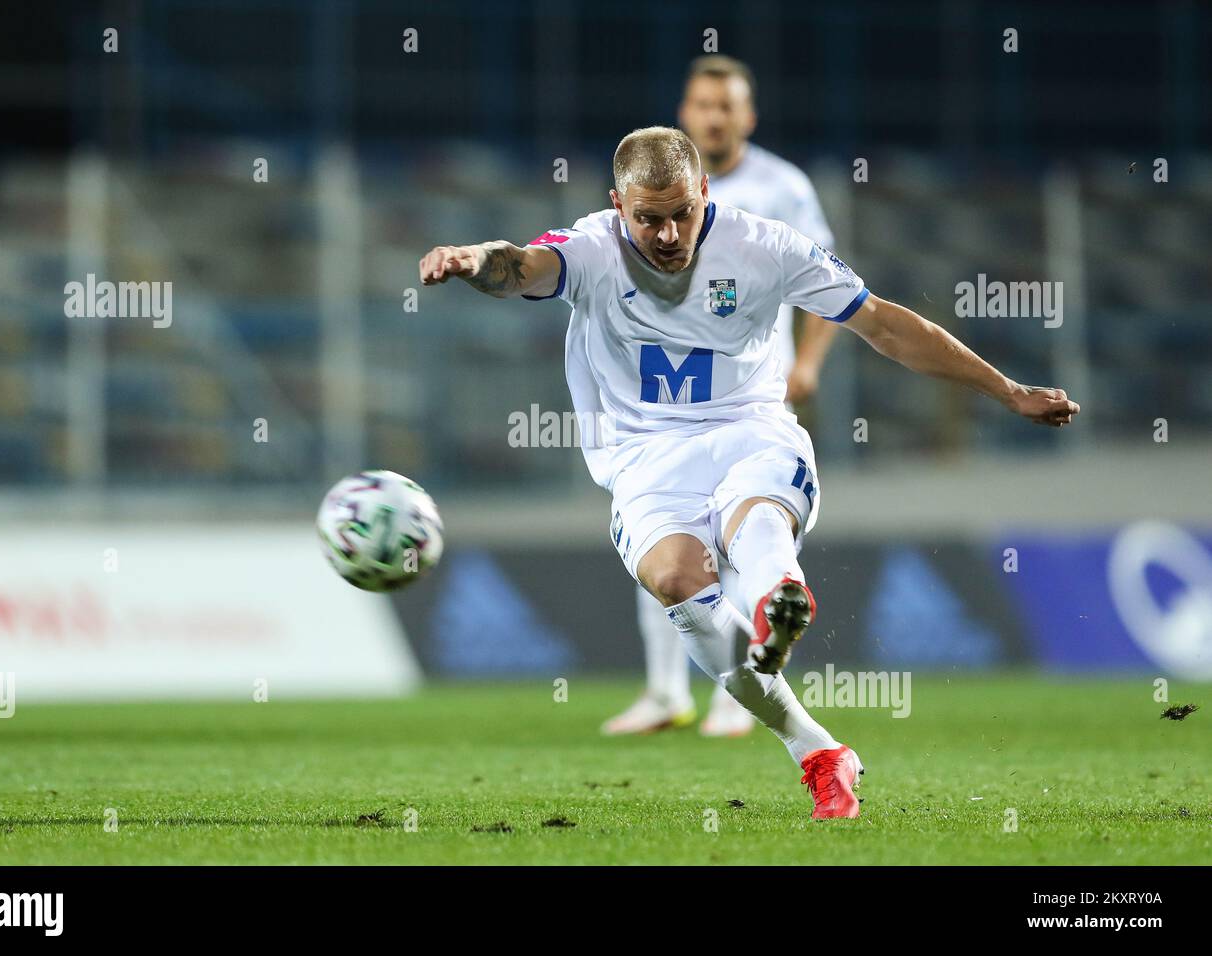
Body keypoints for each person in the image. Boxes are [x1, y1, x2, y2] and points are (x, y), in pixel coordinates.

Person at [418, 127, 1078, 818]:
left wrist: (1007, 391)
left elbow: (883, 324)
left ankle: (776, 597)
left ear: (705, 191)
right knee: (675, 580)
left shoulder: (766, 247)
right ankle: (820, 750)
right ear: (618, 205)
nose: (667, 233)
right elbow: (519, 267)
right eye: (647, 218)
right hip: (645, 460)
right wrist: (472, 258)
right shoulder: (590, 249)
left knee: (759, 521)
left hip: (751, 433)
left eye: (682, 212)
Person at [603, 54, 840, 738]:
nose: (715, 116)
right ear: (685, 115)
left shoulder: (782, 187)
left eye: (727, 106)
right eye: (704, 105)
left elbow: (825, 287)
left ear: (748, 116)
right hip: (663, 409)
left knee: (741, 534)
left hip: (750, 399)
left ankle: (741, 691)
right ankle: (666, 690)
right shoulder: (652, 199)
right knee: (664, 542)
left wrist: (812, 363)